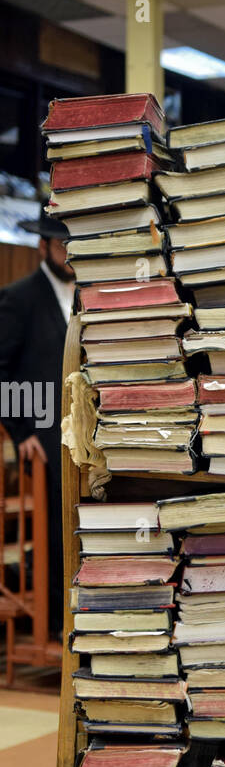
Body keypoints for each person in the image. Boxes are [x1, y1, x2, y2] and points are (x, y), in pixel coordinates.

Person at [0, 213, 74, 635]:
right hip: (40, 432)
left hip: (74, 431)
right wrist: (20, 431)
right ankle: (55, 622)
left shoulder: (82, 295)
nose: (67, 254)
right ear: (43, 247)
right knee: (54, 528)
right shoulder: (20, 297)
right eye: (60, 245)